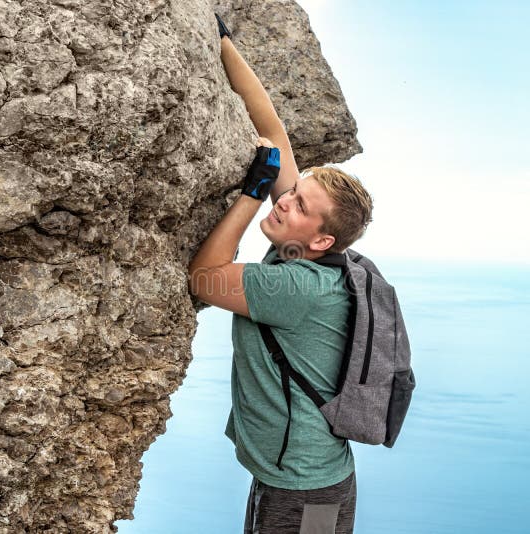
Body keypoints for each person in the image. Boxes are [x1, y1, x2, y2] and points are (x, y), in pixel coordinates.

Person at [187, 15, 374, 534]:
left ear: (322, 240)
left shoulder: (296, 285)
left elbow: (205, 276)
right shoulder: (309, 251)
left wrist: (251, 195)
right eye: (292, 193)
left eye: (299, 205)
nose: (285, 201)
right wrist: (222, 42)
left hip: (301, 485)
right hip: (309, 473)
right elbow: (273, 130)